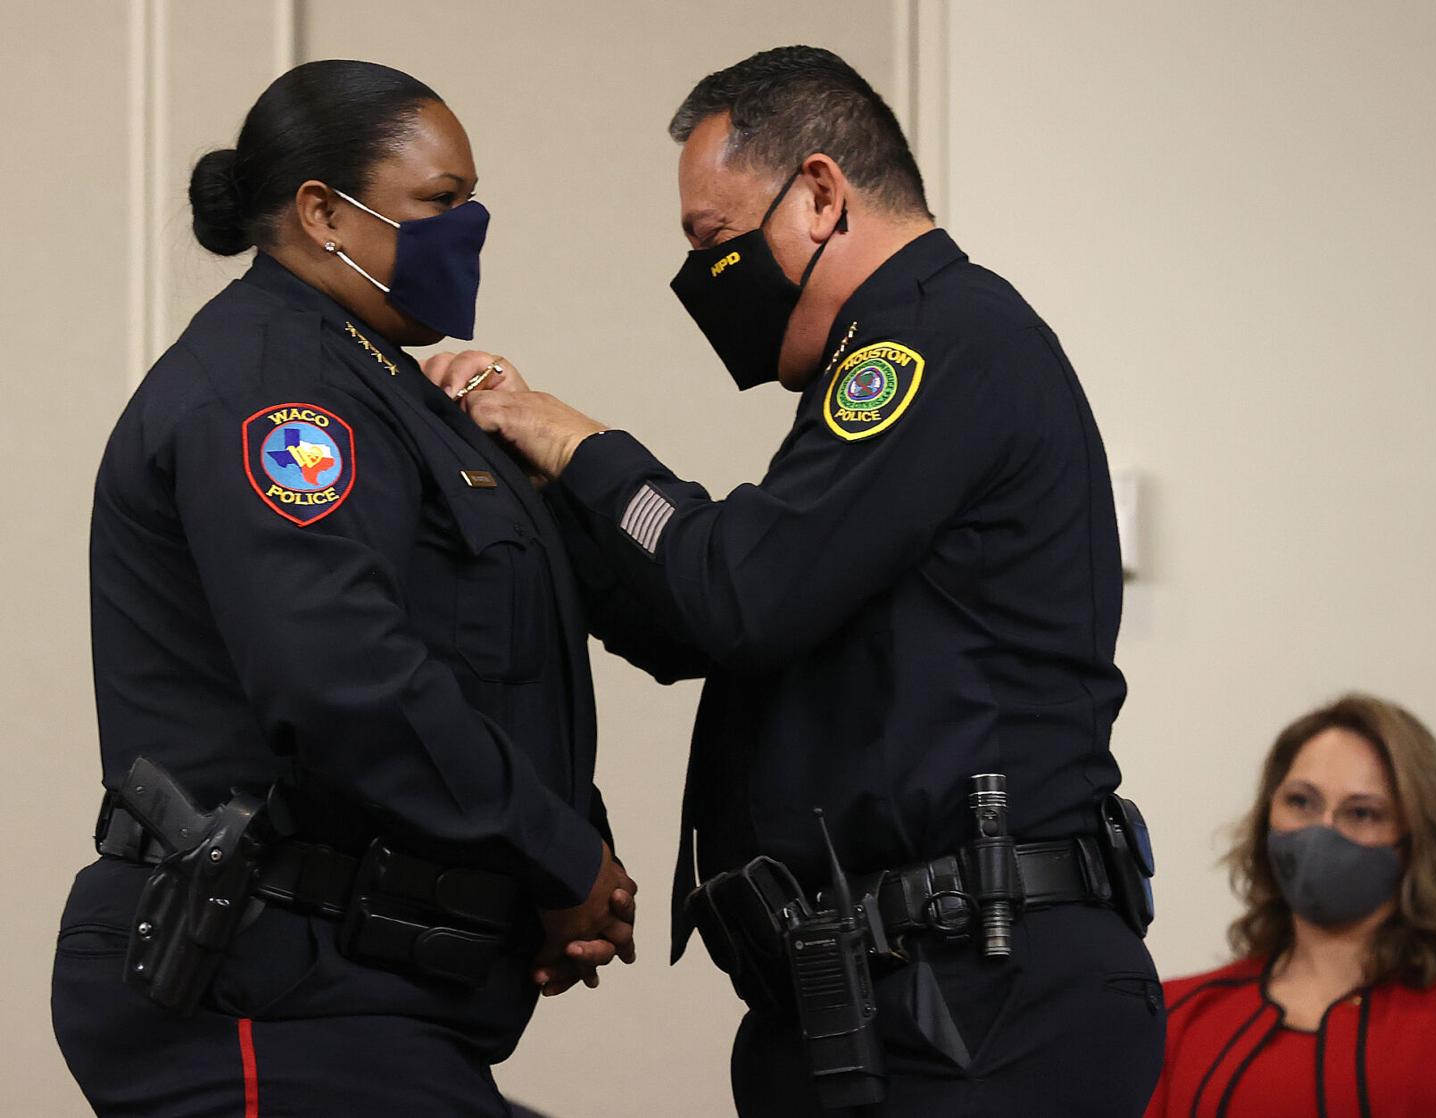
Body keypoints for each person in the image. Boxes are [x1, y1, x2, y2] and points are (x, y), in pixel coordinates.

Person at [442, 45, 1163, 1116]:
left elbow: (739, 588)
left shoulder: (937, 341)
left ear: (820, 194)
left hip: (977, 996)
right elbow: (697, 617)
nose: (704, 278)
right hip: (888, 995)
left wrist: (571, 440)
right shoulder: (881, 364)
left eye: (716, 239)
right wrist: (521, 492)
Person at [52, 60, 636, 1117]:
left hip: (362, 995)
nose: (468, 229)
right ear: (322, 211)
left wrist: (551, 864)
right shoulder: (281, 389)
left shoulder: (388, 389)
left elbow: (488, 661)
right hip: (260, 982)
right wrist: (556, 853)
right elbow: (344, 676)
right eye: (439, 203)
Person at [1147, 694, 1436, 1117]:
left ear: (1416, 835)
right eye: (1301, 802)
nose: (1323, 832)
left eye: (1362, 812)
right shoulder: (1180, 1018)